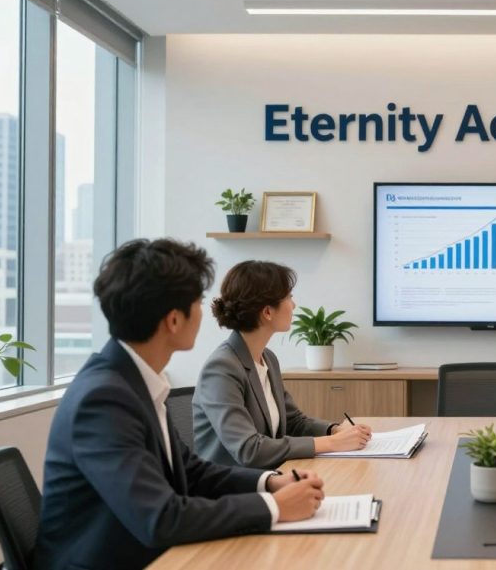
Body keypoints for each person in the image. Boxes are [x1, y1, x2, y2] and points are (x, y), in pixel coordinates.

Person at [34, 239, 325, 570]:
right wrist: (273, 506)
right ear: (174, 320)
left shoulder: (133, 381)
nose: (206, 311)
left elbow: (191, 471)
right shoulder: (103, 400)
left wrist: (270, 482)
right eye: (198, 301)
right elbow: (161, 518)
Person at [194, 260, 372, 468]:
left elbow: (294, 422)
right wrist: (331, 443)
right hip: (232, 490)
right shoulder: (221, 369)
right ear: (268, 312)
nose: (294, 305)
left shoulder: (267, 357)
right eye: (289, 297)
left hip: (271, 476)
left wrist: (333, 430)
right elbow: (249, 449)